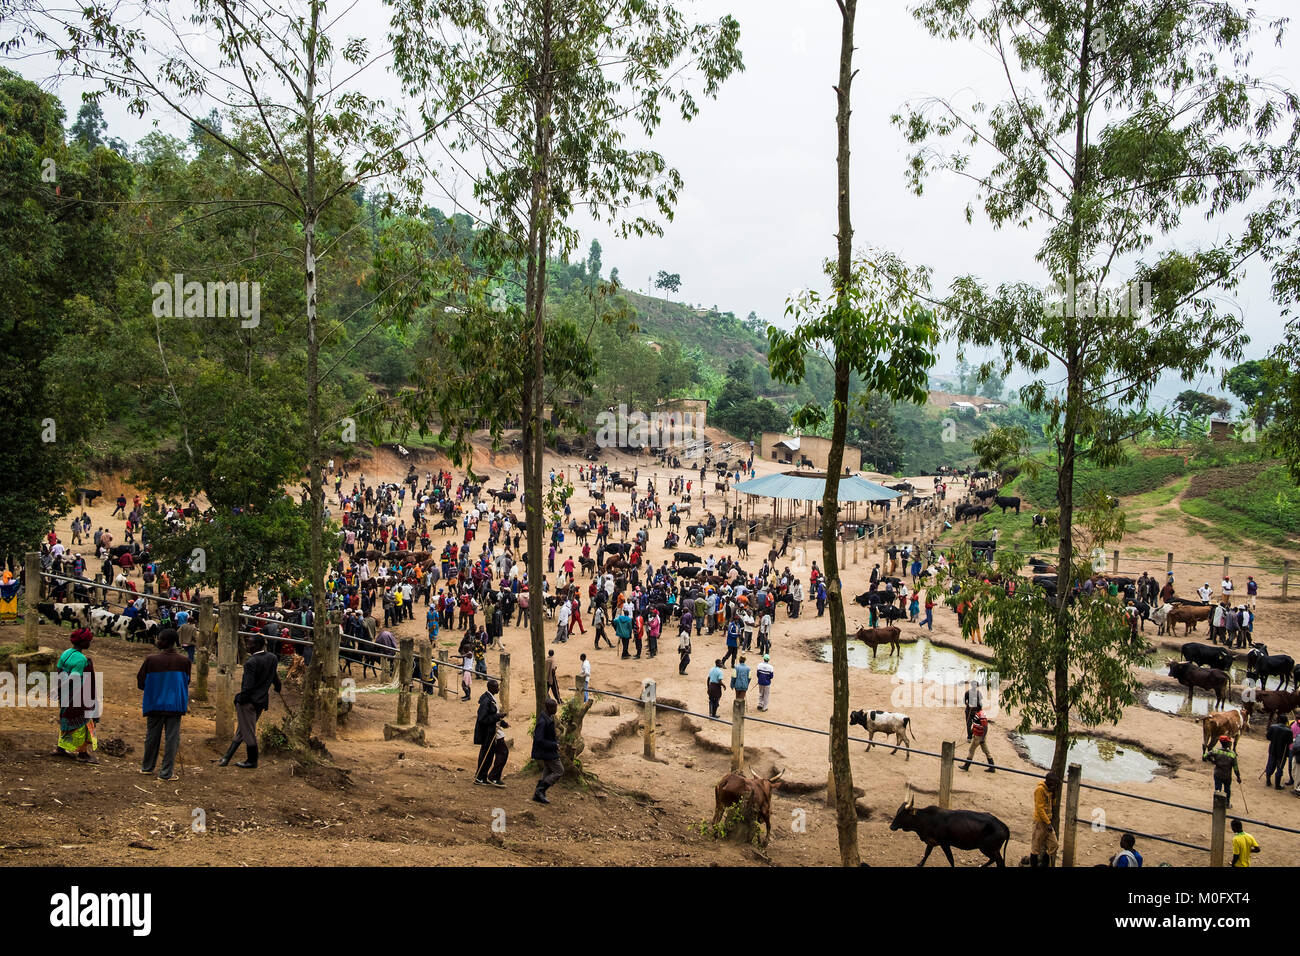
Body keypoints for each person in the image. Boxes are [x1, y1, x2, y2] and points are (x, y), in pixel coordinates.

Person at [216, 633, 281, 769]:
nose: (247, 646)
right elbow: (274, 676)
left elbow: (247, 686)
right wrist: (277, 687)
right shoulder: (272, 658)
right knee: (243, 729)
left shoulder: (251, 662)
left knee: (248, 732)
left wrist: (239, 699)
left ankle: (252, 760)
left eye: (250, 644)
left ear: (257, 645)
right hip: (261, 701)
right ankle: (226, 758)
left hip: (249, 702)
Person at [137, 627, 192, 781]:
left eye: (160, 639)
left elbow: (141, 683)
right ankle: (166, 773)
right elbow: (186, 681)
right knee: (172, 738)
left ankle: (147, 767)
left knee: (152, 736)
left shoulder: (151, 660)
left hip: (154, 704)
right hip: (175, 705)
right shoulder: (185, 661)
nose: (157, 641)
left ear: (166, 642)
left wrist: (155, 687)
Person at [55, 628, 100, 763]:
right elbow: (74, 677)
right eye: (89, 641)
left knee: (66, 718)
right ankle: (82, 754)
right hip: (79, 695)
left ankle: (61, 748)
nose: (90, 643)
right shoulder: (81, 659)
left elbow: (59, 671)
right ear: (83, 642)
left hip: (65, 694)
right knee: (83, 721)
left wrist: (58, 688)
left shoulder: (66, 653)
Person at [473, 679, 508, 787]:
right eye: (496, 687)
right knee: (495, 753)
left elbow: (491, 716)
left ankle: (482, 776)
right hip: (488, 733)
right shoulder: (486, 701)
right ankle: (488, 777)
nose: (498, 689)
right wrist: (498, 716)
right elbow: (482, 718)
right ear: (491, 688)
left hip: (493, 731)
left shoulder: (491, 699)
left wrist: (502, 722)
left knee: (489, 754)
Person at [531, 698, 563, 804]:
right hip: (546, 752)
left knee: (547, 771)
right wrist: (554, 745)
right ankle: (540, 790)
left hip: (548, 750)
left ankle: (538, 795)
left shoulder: (548, 718)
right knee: (559, 771)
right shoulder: (543, 721)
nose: (556, 709)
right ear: (549, 708)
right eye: (554, 707)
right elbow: (539, 740)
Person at [1030, 772, 1061, 867]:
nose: (1054, 786)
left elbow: (1052, 804)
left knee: (1054, 845)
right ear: (1048, 782)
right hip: (1040, 822)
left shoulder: (1049, 790)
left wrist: (1054, 794)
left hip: (1047, 822)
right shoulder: (1040, 790)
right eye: (1054, 784)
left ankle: (1044, 863)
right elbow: (1040, 808)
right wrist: (1048, 823)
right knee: (1035, 848)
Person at [1205, 734, 1241, 807]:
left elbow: (1205, 756)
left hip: (1217, 774)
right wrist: (1238, 777)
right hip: (1227, 775)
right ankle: (1227, 804)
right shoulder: (1232, 754)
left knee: (1218, 789)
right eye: (1230, 742)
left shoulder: (1216, 751)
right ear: (1228, 744)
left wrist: (1213, 761)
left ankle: (1217, 804)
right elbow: (1235, 767)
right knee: (1227, 790)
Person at [960, 706, 995, 772]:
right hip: (978, 735)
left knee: (971, 750)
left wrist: (982, 738)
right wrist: (973, 732)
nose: (972, 709)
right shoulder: (978, 714)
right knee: (986, 751)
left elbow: (985, 727)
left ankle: (966, 766)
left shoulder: (981, 715)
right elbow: (976, 724)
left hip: (979, 736)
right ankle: (992, 766)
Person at [1264, 720, 1291, 790]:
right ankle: (1277, 785)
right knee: (1279, 768)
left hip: (1272, 750)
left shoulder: (1273, 727)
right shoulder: (1288, 731)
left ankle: (1268, 781)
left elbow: (1268, 737)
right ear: (1286, 722)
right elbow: (1290, 742)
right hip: (1282, 753)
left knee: (1270, 765)